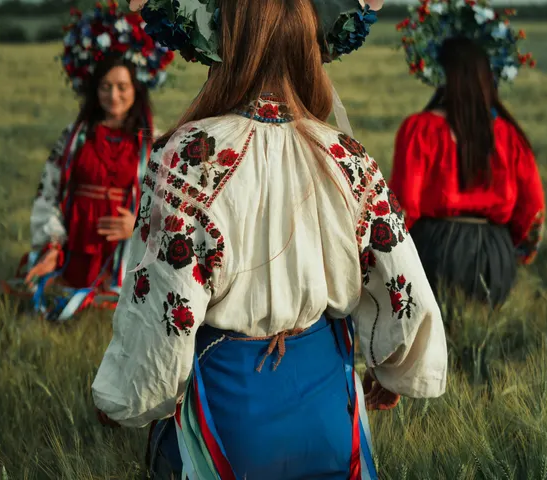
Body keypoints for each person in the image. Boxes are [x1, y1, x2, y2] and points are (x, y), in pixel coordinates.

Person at [92, 0, 447, 478]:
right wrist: (396, 369)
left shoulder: (188, 156)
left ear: (225, 44)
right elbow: (403, 285)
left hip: (231, 414)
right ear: (308, 46)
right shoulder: (346, 156)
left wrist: (124, 397)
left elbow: (164, 311)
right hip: (327, 413)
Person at [390, 2, 545, 309]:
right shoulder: (509, 135)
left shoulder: (420, 129)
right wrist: (513, 253)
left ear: (442, 76)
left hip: (437, 249)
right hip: (495, 253)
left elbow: (404, 207)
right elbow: (533, 212)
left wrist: (386, 260)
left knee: (437, 344)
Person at [21, 3, 175, 306]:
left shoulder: (153, 143)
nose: (113, 95)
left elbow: (166, 202)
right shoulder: (74, 137)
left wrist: (137, 224)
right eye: (105, 87)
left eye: (121, 86)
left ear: (137, 88)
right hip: (77, 248)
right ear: (94, 89)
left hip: (126, 256)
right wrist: (52, 244)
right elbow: (49, 192)